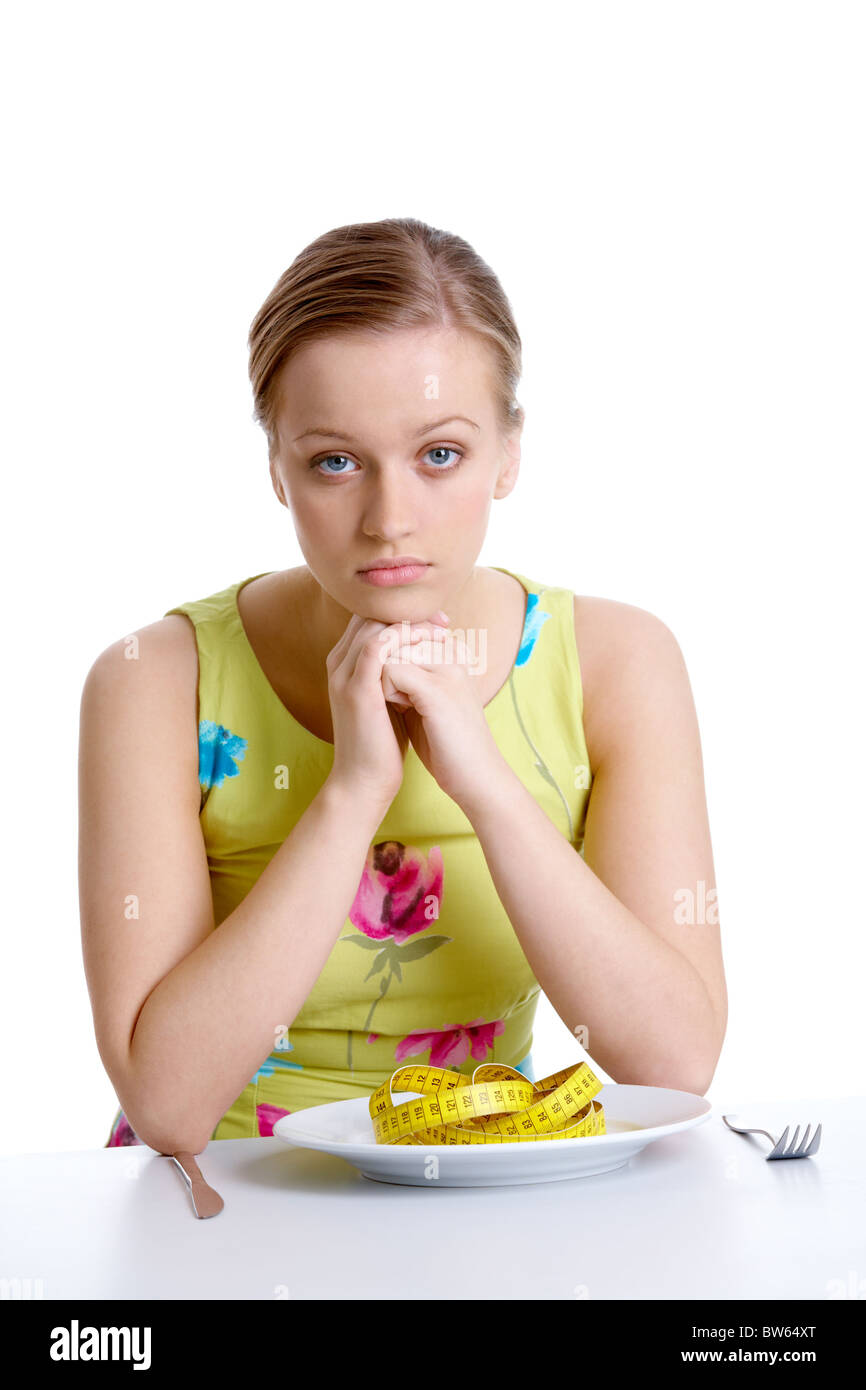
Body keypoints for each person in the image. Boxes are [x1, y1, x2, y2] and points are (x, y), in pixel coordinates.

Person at [79, 216, 727, 1153]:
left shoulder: (617, 662)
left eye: (440, 455)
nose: (390, 519)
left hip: (481, 1195)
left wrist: (489, 788)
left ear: (509, 453)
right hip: (219, 1203)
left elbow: (673, 1067)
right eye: (335, 462)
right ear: (276, 469)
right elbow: (167, 1110)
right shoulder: (154, 681)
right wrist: (351, 794)